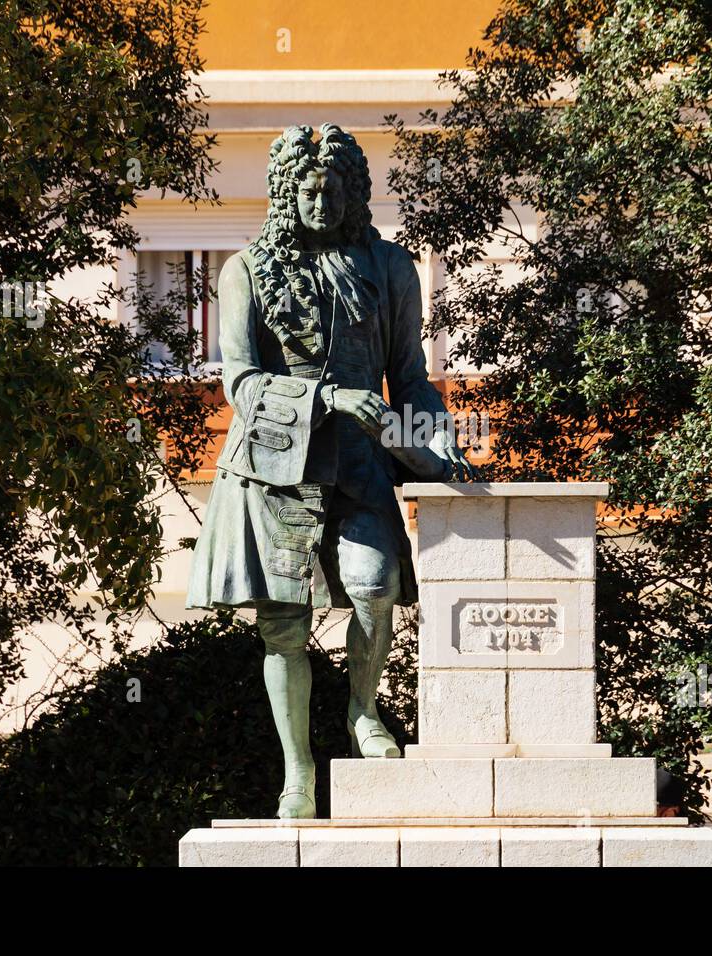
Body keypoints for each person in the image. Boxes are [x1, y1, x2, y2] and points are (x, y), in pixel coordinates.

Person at [187, 124, 474, 819]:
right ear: (287, 193)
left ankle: (363, 712)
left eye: (331, 190)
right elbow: (243, 384)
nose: (320, 203)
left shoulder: (390, 267)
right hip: (272, 472)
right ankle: (298, 771)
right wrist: (329, 396)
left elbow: (410, 377)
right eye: (306, 191)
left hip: (361, 466)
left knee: (376, 591)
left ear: (352, 192)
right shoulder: (245, 270)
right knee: (284, 626)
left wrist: (433, 437)